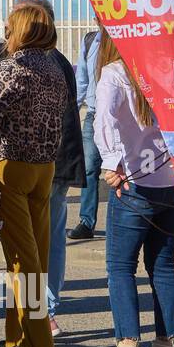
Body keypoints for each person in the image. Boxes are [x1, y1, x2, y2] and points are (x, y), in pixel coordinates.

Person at [0, 3, 68, 347]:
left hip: (11, 167)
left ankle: (38, 341)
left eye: (11, 28)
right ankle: (16, 336)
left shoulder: (12, 68)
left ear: (22, 31)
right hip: (45, 168)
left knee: (20, 259)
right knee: (36, 255)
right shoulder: (56, 67)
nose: (7, 34)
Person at [93, 31, 174, 347]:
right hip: (173, 182)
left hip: (134, 183)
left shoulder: (115, 74)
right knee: (163, 265)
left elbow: (102, 118)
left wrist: (110, 161)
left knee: (120, 267)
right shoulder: (171, 67)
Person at [13, 0, 84, 336]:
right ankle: (47, 310)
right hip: (58, 162)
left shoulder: (19, 63)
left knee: (26, 240)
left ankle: (35, 313)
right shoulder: (61, 63)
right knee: (52, 237)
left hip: (26, 164)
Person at [69, 26, 103, 240]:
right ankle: (86, 222)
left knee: (127, 171)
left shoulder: (127, 39)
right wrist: (72, 109)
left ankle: (130, 221)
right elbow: (81, 79)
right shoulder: (91, 41)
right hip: (94, 115)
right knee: (89, 169)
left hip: (124, 117)